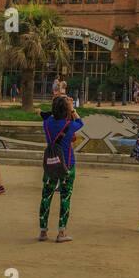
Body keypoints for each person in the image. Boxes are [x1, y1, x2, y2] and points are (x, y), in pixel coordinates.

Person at [38, 95, 83, 242]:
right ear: (66, 110)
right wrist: (73, 109)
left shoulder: (47, 123)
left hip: (50, 164)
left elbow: (49, 116)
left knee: (46, 196)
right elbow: (80, 122)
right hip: (68, 164)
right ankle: (61, 232)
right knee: (65, 198)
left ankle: (43, 232)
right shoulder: (69, 126)